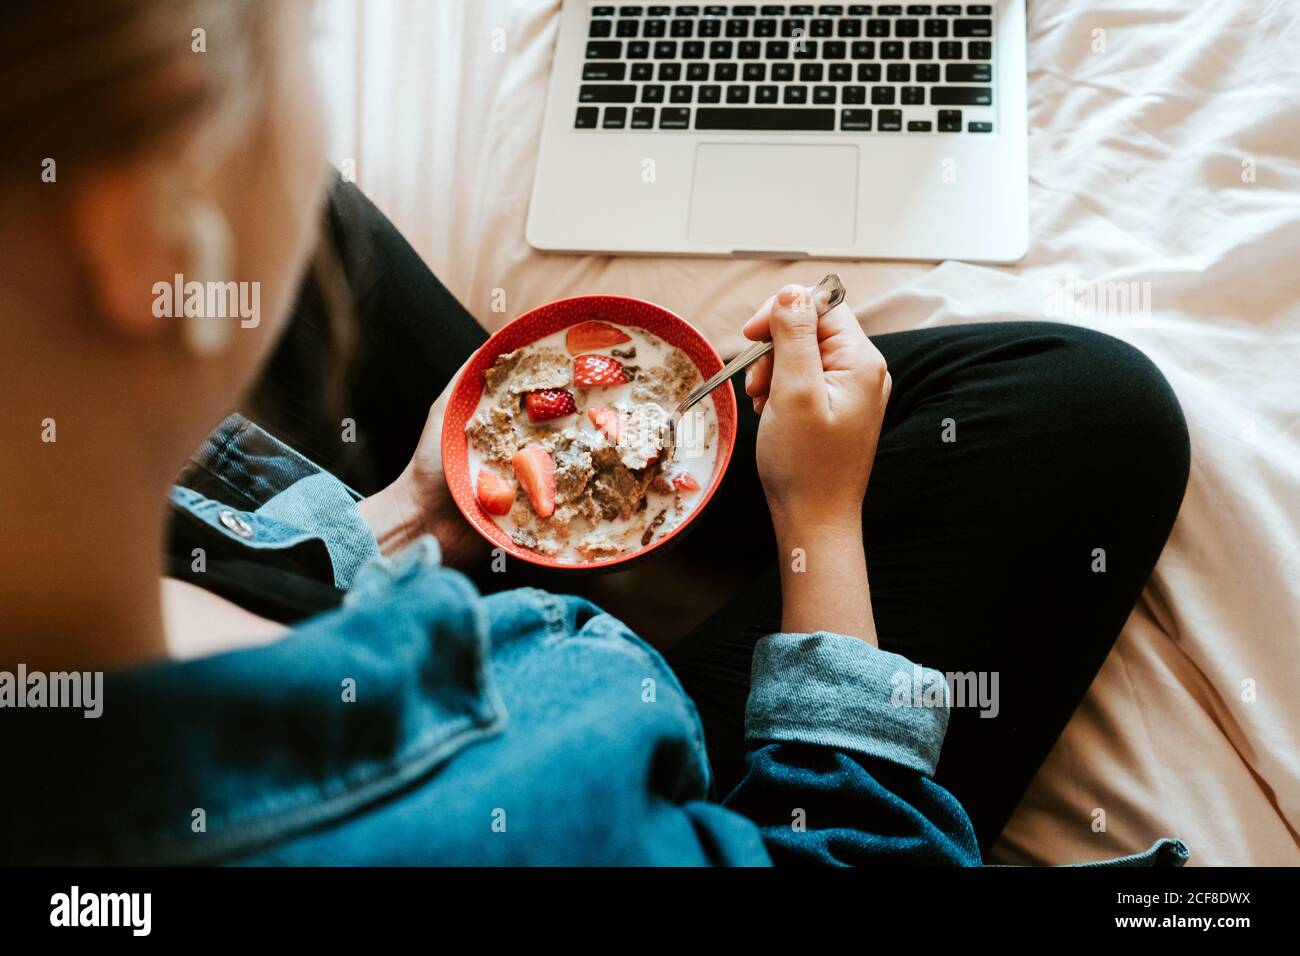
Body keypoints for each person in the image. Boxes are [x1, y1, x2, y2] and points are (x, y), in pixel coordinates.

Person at [0, 0, 1190, 866]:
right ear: (153, 252)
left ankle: (679, 503)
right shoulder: (513, 817)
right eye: (301, 44)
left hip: (418, 551)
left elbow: (257, 585)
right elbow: (861, 854)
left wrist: (412, 516)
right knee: (1088, 413)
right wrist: (816, 525)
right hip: (638, 738)